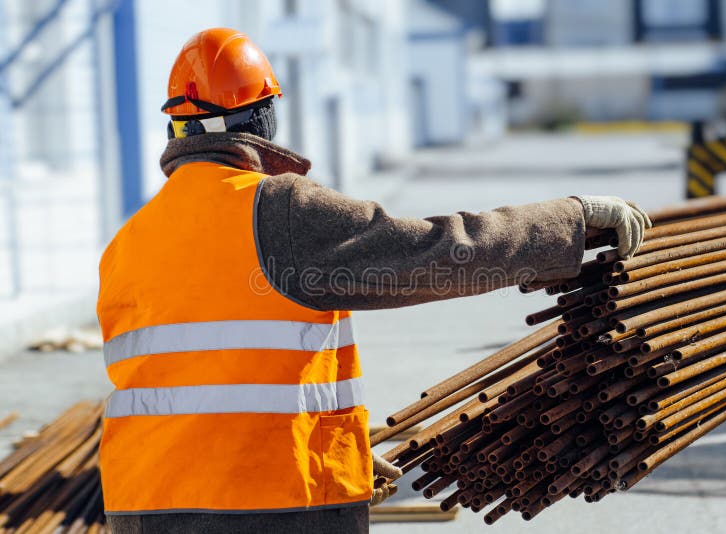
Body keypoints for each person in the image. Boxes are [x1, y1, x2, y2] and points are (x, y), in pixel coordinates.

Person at [97, 28, 650, 534]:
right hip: (273, 500)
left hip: (142, 504)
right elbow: (442, 251)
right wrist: (571, 221)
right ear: (262, 119)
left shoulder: (128, 242)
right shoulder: (279, 209)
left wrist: (345, 447)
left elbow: (203, 381)